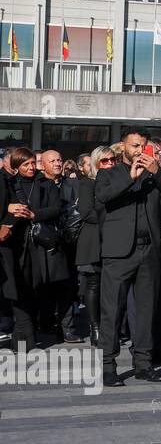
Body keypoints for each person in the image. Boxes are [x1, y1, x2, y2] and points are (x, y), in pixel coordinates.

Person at [94, 132, 161, 384]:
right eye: (135, 145)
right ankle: (109, 367)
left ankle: (143, 364)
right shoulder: (109, 173)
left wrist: (158, 171)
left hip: (148, 250)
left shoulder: (154, 174)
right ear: (123, 148)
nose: (140, 149)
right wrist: (131, 178)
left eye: (143, 145)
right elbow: (103, 197)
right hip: (118, 252)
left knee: (145, 311)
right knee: (112, 310)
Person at [0, 148, 65, 351]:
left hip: (38, 244)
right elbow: (4, 207)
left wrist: (33, 214)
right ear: (17, 166)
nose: (30, 168)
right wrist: (11, 210)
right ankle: (24, 337)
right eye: (25, 164)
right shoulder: (10, 182)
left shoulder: (46, 183)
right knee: (17, 289)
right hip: (14, 244)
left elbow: (56, 208)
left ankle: (24, 336)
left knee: (32, 289)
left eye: (32, 163)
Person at [38, 149, 80, 343]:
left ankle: (67, 328)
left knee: (67, 287)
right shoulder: (37, 185)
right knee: (45, 285)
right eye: (52, 160)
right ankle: (45, 323)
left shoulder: (73, 184)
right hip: (43, 243)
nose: (57, 163)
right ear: (42, 165)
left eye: (59, 160)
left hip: (67, 242)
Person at [75, 146, 114, 346]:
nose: (109, 164)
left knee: (111, 286)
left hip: (114, 239)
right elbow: (86, 212)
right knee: (93, 284)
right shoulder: (87, 184)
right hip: (93, 239)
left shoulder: (118, 181)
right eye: (104, 161)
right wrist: (112, 220)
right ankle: (95, 327)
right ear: (96, 163)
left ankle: (112, 327)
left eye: (112, 160)